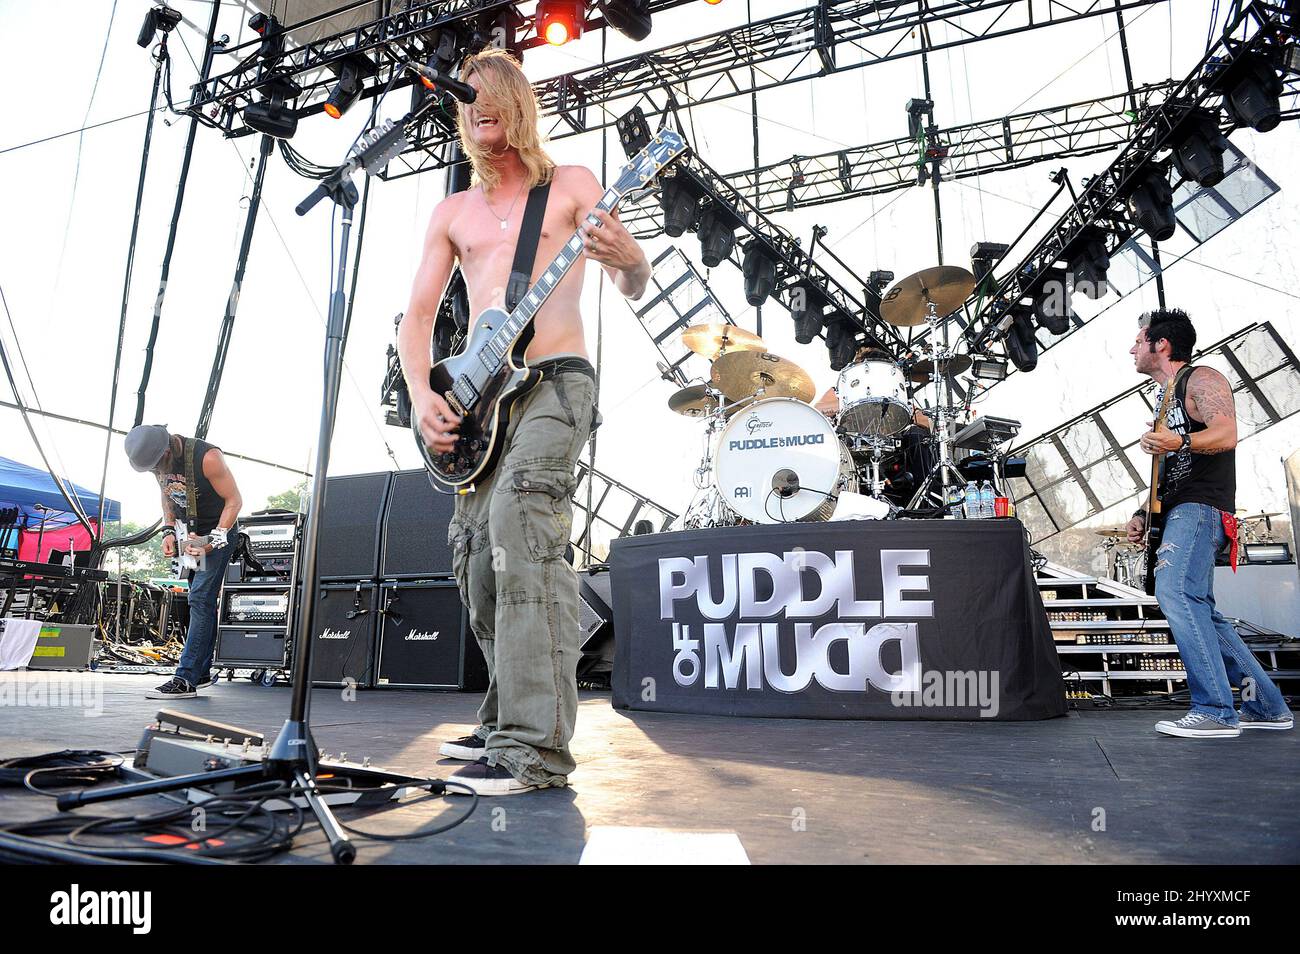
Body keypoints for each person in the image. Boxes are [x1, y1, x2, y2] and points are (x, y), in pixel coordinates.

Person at [397, 48, 650, 795]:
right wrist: (422, 395)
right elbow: (415, 317)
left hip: (555, 383)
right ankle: (504, 715)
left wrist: (632, 258)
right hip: (480, 400)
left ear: (518, 105)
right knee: (474, 558)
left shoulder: (570, 185)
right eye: (466, 99)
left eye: (493, 94)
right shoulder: (453, 212)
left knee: (520, 524)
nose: (479, 106)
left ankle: (533, 750)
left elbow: (629, 281)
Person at [1125, 309, 1292, 738]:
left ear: (1161, 345)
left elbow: (1226, 434)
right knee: (1202, 611)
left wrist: (1177, 439)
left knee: (1176, 593)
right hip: (1182, 507)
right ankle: (1268, 706)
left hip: (1201, 509)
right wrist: (1145, 513)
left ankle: (1216, 710)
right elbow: (1174, 468)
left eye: (1139, 341)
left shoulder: (1202, 378)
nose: (1132, 349)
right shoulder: (1164, 401)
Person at [123, 424, 243, 699]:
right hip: (189, 534)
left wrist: (215, 540)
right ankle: (200, 672)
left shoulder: (208, 457)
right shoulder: (158, 464)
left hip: (218, 531)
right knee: (201, 600)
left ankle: (185, 678)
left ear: (166, 450)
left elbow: (234, 501)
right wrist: (167, 530)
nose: (156, 471)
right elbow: (167, 497)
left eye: (156, 465)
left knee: (200, 598)